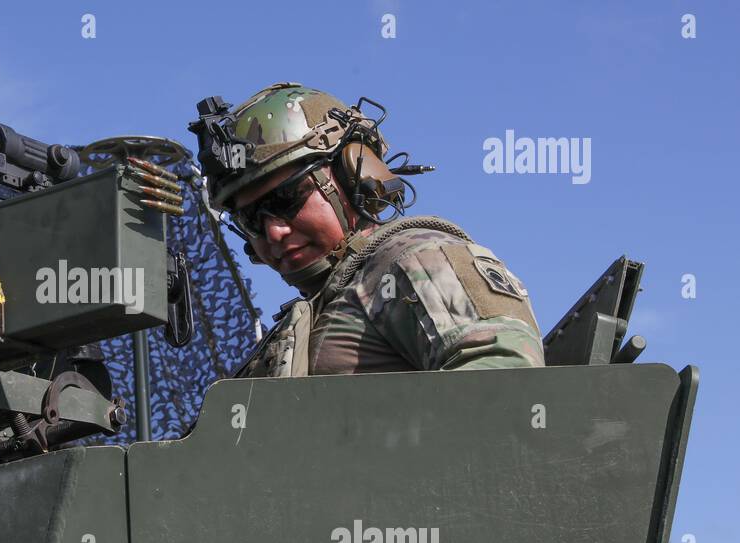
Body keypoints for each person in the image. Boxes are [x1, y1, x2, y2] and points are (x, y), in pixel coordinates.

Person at [189, 83, 545, 377]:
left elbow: (506, 391)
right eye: (251, 219)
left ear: (353, 172)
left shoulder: (416, 260)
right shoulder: (330, 302)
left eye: (286, 199)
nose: (274, 232)